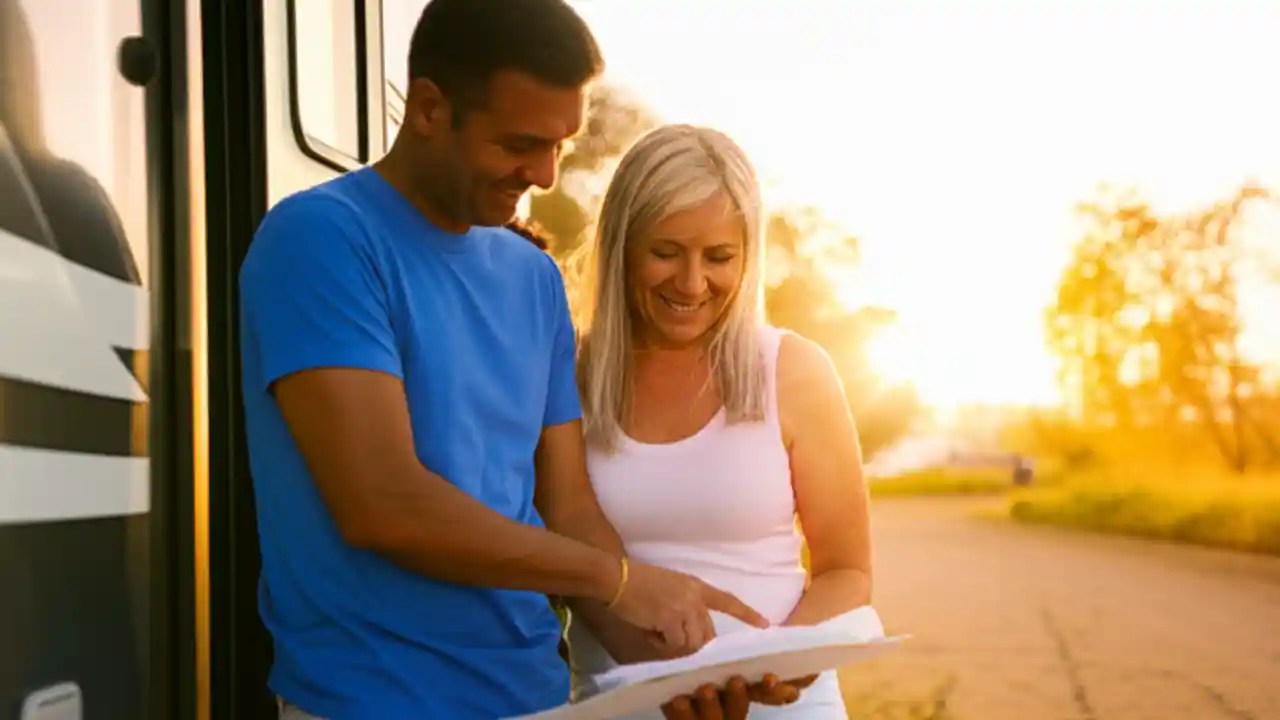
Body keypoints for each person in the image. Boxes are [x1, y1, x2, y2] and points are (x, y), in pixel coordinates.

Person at [238, 1, 787, 718]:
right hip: (371, 699)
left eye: (562, 143)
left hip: (534, 697)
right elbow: (383, 505)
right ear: (430, 109)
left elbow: (567, 506)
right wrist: (620, 579)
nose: (547, 174)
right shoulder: (321, 240)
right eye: (520, 144)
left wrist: (682, 669)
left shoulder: (533, 279)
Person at [564, 124, 875, 718]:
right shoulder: (565, 374)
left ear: (748, 256)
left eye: (719, 257)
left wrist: (775, 662)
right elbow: (571, 559)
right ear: (621, 245)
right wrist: (668, 682)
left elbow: (847, 571)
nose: (691, 283)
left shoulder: (794, 370)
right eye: (665, 252)